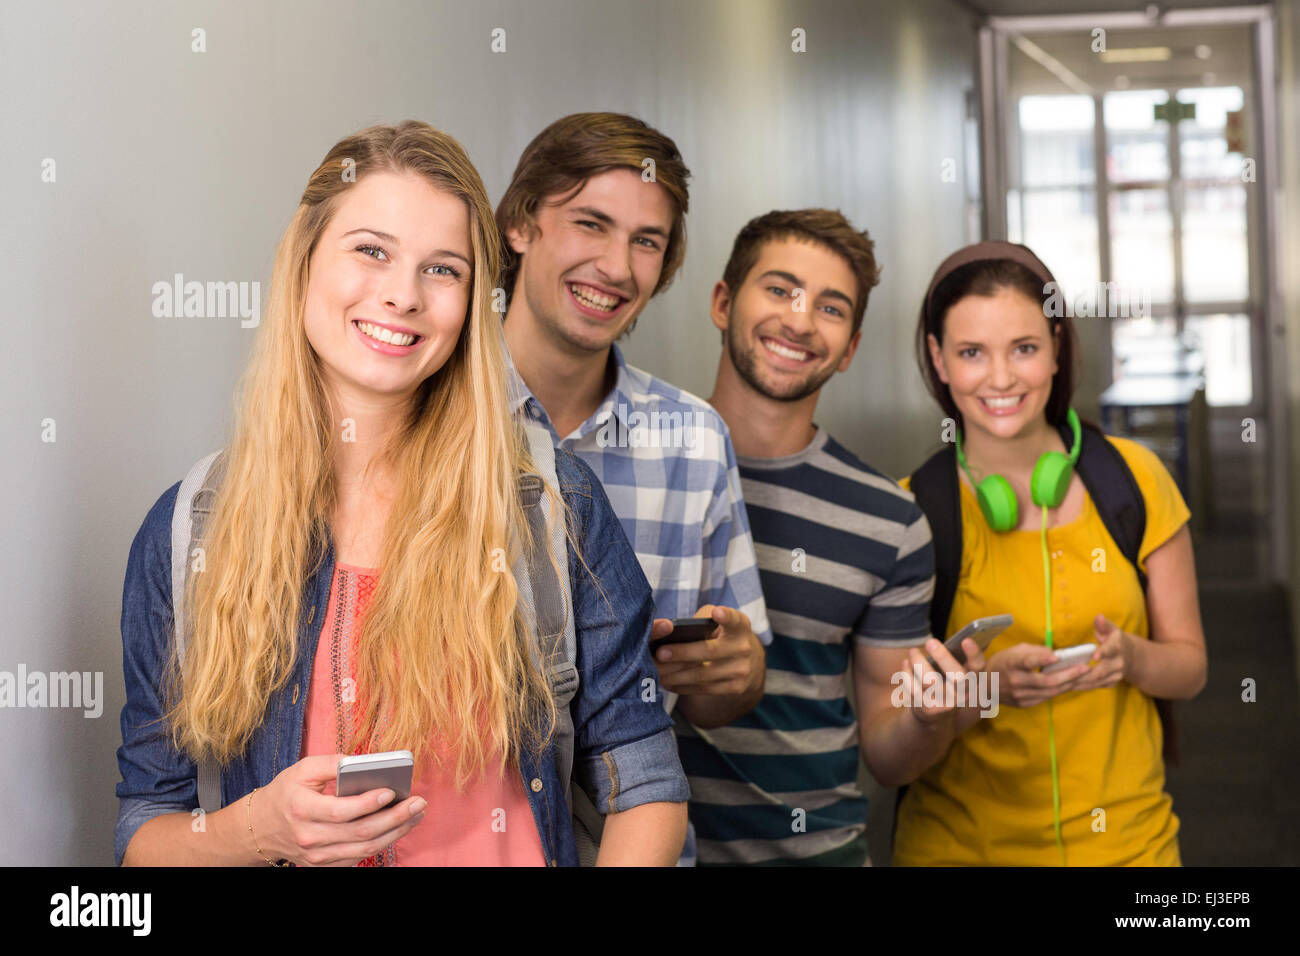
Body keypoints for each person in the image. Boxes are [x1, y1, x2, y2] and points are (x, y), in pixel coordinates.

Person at [114, 120, 688, 867]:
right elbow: (146, 829)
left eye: (443, 269)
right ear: (304, 262)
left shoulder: (550, 504)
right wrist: (254, 832)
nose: (402, 295)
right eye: (372, 251)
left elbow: (645, 783)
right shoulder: (188, 529)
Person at [496, 111, 771, 864]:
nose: (617, 267)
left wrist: (736, 672)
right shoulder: (419, 407)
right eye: (591, 224)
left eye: (645, 242)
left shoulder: (694, 438)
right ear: (522, 224)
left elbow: (723, 696)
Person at [894, 240, 1208, 866]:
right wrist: (984, 690)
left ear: (1057, 346)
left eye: (1025, 348)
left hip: (1131, 849)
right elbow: (889, 747)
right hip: (961, 852)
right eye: (972, 353)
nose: (1002, 378)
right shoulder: (910, 514)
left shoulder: (1136, 479)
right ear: (939, 358)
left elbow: (1190, 668)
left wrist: (1132, 658)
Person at [691, 209, 988, 865]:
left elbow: (888, 757)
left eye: (830, 308)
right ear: (722, 301)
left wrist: (929, 717)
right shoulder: (637, 470)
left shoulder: (891, 519)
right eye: (778, 289)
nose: (799, 320)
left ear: (849, 347)